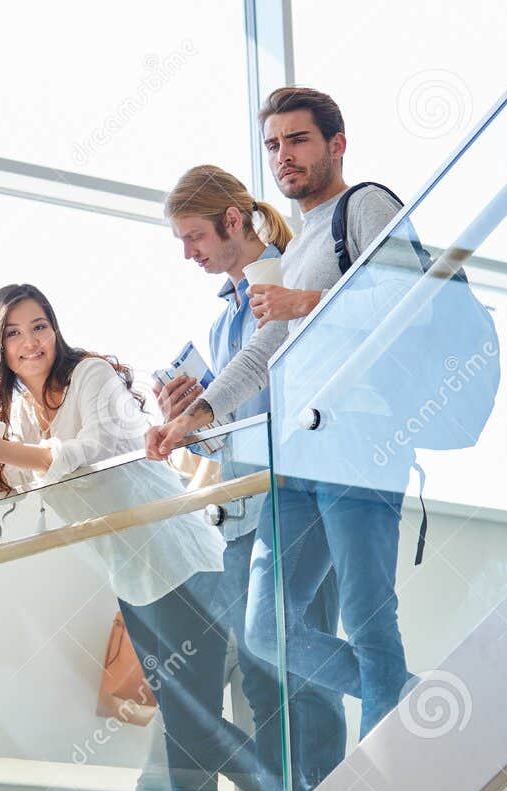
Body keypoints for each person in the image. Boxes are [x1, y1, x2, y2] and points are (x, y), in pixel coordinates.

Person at [0, 283, 266, 791]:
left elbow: (89, 450)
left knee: (192, 720)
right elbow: (19, 482)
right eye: (13, 333)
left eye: (38, 326)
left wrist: (2, 447)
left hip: (180, 558)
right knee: (185, 723)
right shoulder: (20, 418)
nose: (30, 342)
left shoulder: (91, 377)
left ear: (54, 328)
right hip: (133, 578)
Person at [147, 87, 413, 743]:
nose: (283, 156)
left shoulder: (367, 204)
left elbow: (409, 299)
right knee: (266, 628)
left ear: (336, 144)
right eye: (272, 144)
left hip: (360, 439)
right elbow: (266, 349)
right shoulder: (293, 253)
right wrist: (198, 412)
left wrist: (305, 305)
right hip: (301, 457)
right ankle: (404, 692)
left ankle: (387, 773)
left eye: (297, 140)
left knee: (366, 615)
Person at [156, 164, 348, 791]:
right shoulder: (222, 322)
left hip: (296, 506)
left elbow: (301, 400)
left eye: (193, 236)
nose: (188, 253)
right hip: (240, 519)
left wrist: (210, 413)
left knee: (300, 677)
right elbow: (233, 436)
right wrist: (196, 415)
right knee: (264, 689)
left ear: (232, 221)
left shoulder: (294, 281)